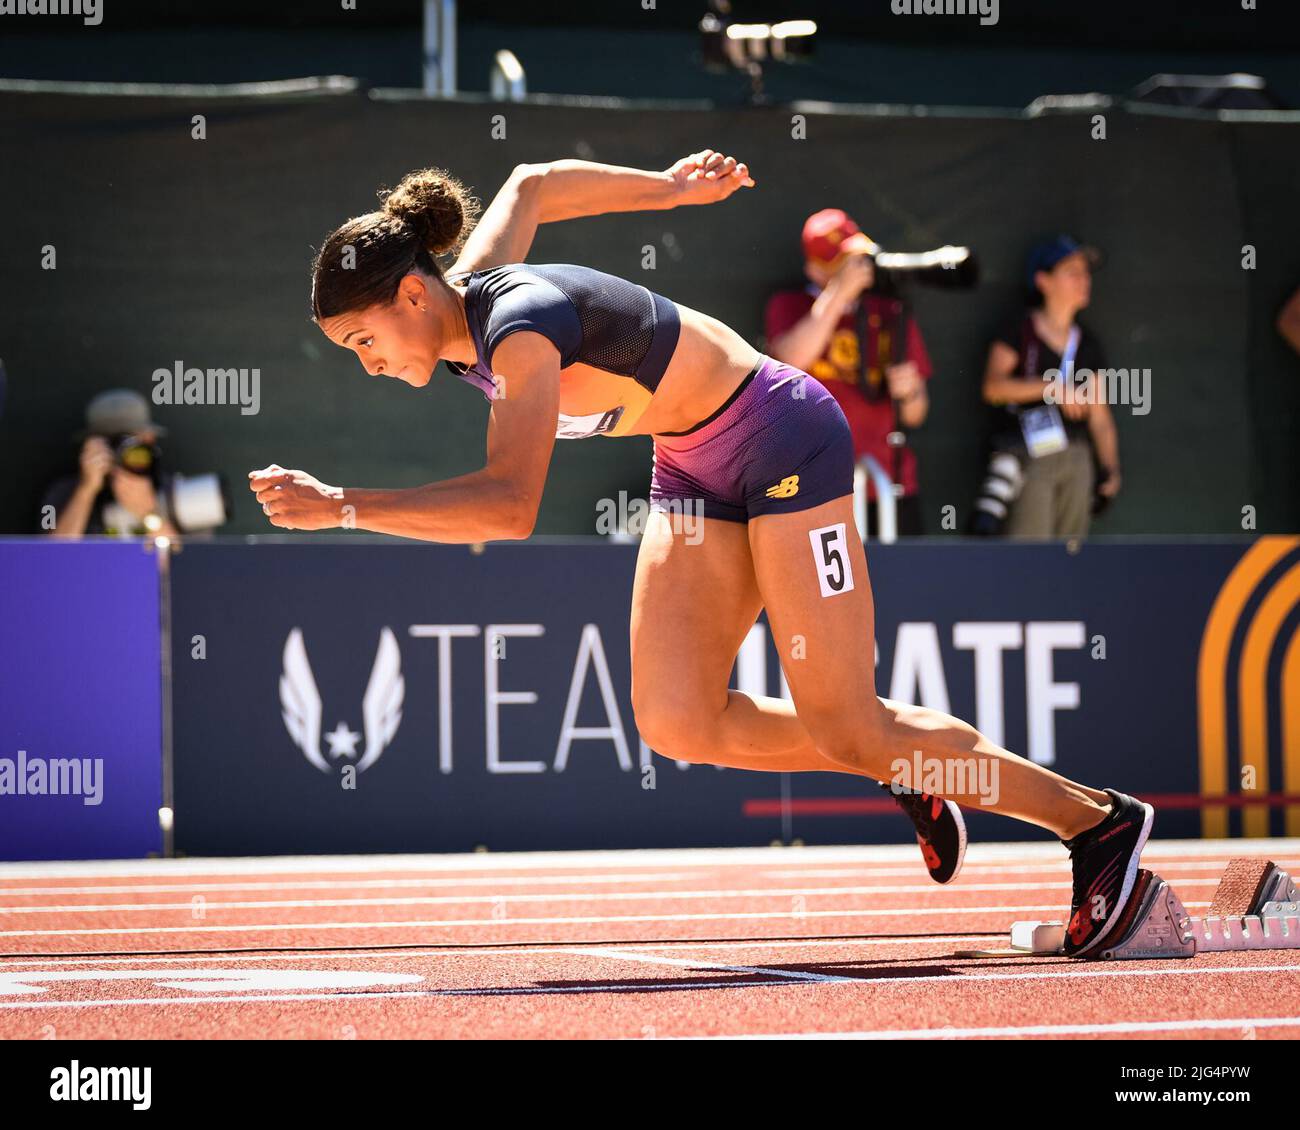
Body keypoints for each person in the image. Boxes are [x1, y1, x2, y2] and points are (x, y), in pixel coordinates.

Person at [251, 150, 1153, 956]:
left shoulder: (515, 324)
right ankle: (895, 761)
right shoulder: (461, 294)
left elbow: (510, 506)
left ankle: (1097, 822)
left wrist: (343, 507)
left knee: (849, 721)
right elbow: (532, 183)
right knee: (677, 719)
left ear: (414, 293)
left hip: (784, 437)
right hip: (691, 466)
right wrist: (668, 190)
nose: (367, 363)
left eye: (363, 340)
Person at [765, 210, 933, 536]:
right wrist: (839, 294)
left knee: (904, 581)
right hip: (816, 484)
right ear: (814, 270)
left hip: (887, 480)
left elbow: (916, 414)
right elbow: (791, 359)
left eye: (855, 260)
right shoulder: (789, 304)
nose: (853, 272)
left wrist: (910, 391)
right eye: (839, 265)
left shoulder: (891, 311)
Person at [978, 237, 1121, 538]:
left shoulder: (1088, 344)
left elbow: (1100, 418)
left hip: (1076, 458)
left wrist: (1110, 469)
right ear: (1043, 280)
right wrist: (1051, 387)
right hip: (1028, 455)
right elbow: (993, 388)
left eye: (1086, 273)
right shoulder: (1019, 330)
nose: (1083, 280)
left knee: (1070, 554)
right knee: (1031, 555)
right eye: (1072, 271)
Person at [41, 389, 183, 539]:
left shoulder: (178, 493)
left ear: (150, 440)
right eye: (112, 443)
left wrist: (148, 512)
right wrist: (86, 490)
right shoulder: (58, 495)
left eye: (132, 443)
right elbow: (50, 557)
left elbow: (191, 559)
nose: (120, 453)